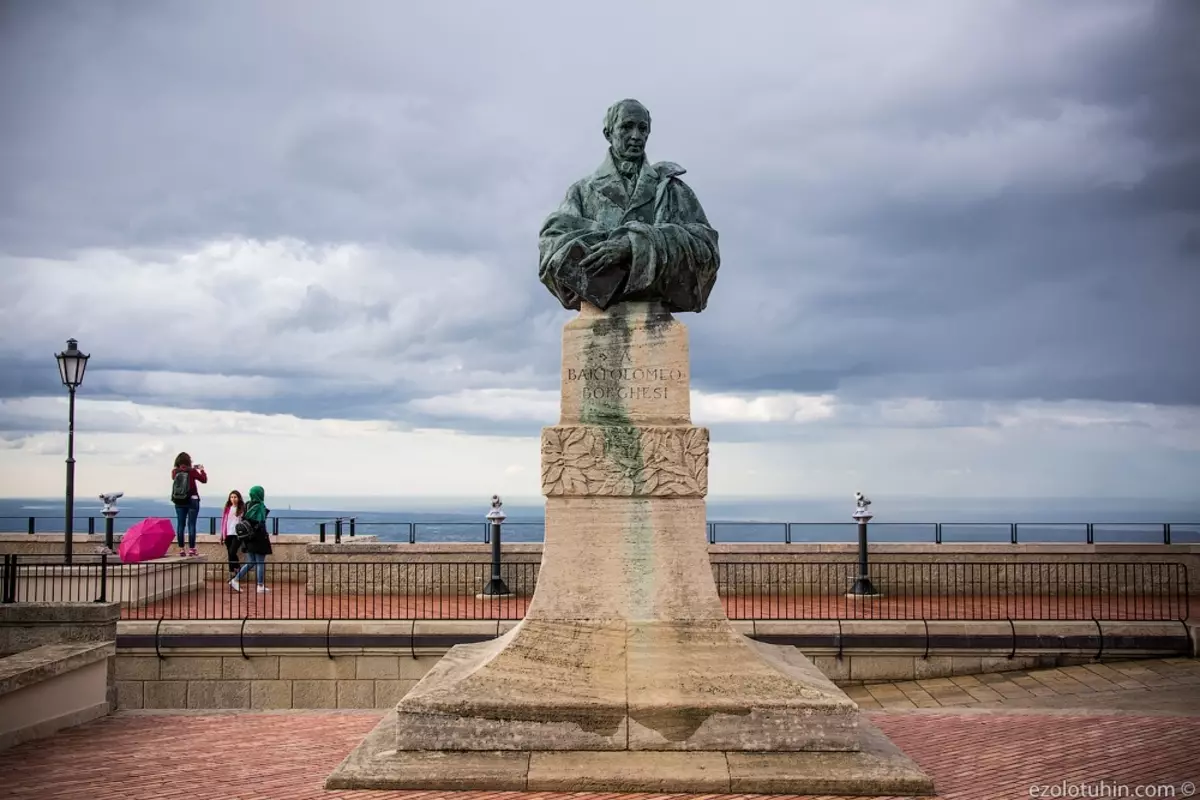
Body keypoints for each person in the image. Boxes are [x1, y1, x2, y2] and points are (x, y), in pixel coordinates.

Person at [229, 485, 271, 594]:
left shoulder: (247, 505)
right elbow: (261, 522)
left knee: (251, 562)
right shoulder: (260, 506)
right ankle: (260, 585)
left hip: (248, 539)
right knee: (260, 562)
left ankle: (235, 579)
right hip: (259, 538)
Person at [170, 452, 208, 557]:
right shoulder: (192, 471)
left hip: (179, 500)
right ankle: (192, 549)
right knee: (191, 524)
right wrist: (202, 470)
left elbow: (174, 479)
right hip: (192, 500)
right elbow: (204, 480)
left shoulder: (175, 472)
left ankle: (181, 549)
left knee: (180, 525)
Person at [219, 490, 246, 577]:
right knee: (230, 553)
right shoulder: (227, 509)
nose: (233, 499)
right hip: (228, 534)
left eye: (235, 497)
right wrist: (222, 536)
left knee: (232, 552)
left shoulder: (242, 509)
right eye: (231, 497)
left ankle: (237, 569)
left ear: (238, 498)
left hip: (237, 534)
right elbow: (223, 522)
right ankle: (233, 573)